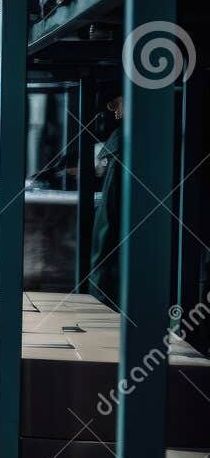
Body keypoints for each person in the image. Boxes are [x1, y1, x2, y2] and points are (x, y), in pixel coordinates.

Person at [87, 92, 125, 310]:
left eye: (117, 100)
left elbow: (107, 225)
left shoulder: (121, 151)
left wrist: (98, 288)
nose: (112, 109)